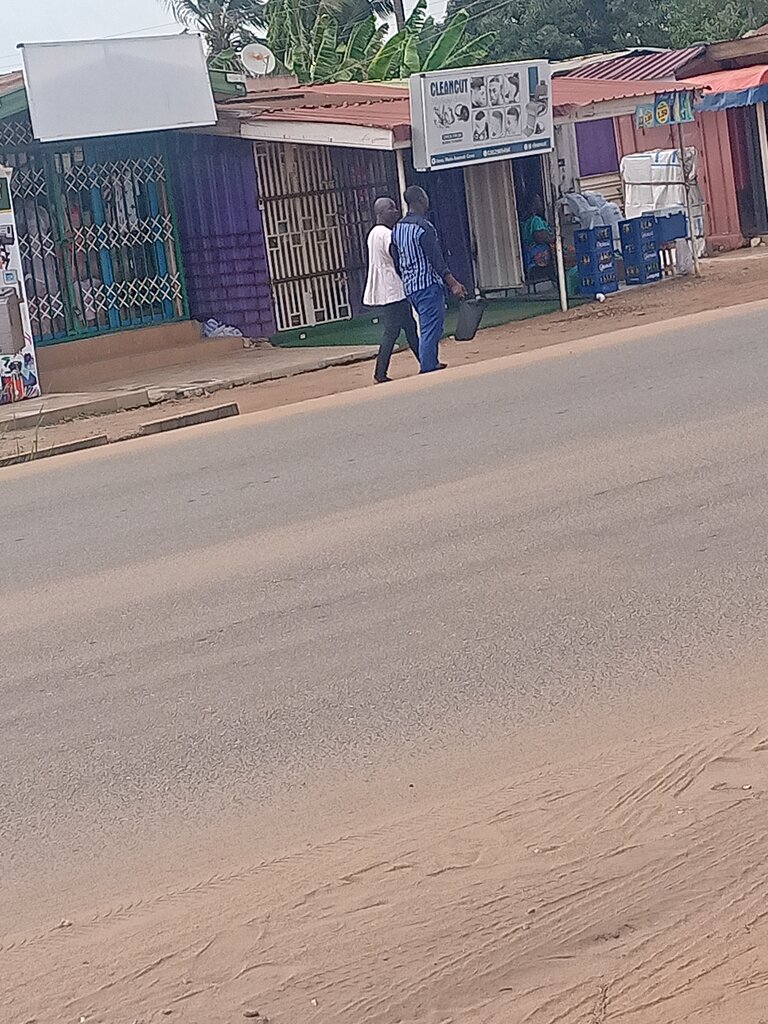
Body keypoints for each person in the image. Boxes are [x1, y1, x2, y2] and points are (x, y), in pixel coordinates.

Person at [390, 185, 467, 374]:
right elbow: (436, 260)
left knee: (428, 325)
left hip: (411, 288)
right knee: (430, 328)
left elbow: (396, 259)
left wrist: (407, 278)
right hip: (427, 286)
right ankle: (428, 367)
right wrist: (453, 283)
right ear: (419, 200)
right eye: (425, 197)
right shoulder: (424, 227)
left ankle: (431, 360)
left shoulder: (397, 228)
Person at [363, 196, 420, 384]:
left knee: (410, 327)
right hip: (393, 288)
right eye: (391, 208)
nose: (395, 211)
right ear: (380, 213)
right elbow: (396, 257)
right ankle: (380, 372)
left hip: (390, 289)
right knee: (392, 332)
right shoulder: (387, 234)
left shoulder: (373, 233)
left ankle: (427, 361)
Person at [520, 193, 557, 286]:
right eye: (539, 201)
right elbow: (540, 237)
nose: (541, 203)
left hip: (528, 258)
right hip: (538, 259)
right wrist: (555, 238)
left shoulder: (522, 222)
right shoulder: (535, 220)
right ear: (533, 205)